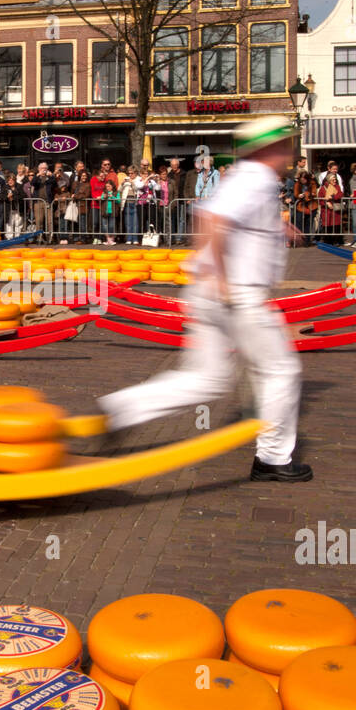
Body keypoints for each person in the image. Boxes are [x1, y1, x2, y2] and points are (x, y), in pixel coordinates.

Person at [96, 115, 310, 483]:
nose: (289, 153)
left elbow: (228, 217)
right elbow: (211, 219)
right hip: (237, 293)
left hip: (208, 291)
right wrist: (224, 282)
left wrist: (278, 228)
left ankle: (123, 408)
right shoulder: (257, 178)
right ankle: (274, 458)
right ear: (272, 148)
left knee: (207, 377)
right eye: (286, 145)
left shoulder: (245, 176)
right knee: (280, 369)